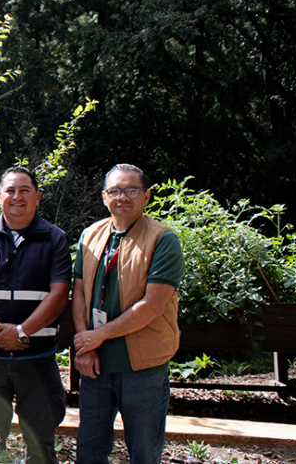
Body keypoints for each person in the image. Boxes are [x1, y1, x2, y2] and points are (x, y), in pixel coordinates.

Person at [0, 166, 72, 464]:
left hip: (36, 359)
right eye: (10, 190)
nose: (16, 197)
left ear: (37, 197)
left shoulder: (54, 239)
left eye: (24, 190)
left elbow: (59, 295)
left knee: (41, 442)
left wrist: (20, 333)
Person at [72, 164, 185, 464]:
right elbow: (80, 293)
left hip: (142, 368)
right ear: (104, 196)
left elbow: (152, 306)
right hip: (95, 367)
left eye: (132, 190)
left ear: (146, 196)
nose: (123, 197)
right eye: (116, 191)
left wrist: (96, 336)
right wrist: (86, 348)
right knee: (90, 450)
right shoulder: (90, 235)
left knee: (144, 453)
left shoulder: (163, 240)